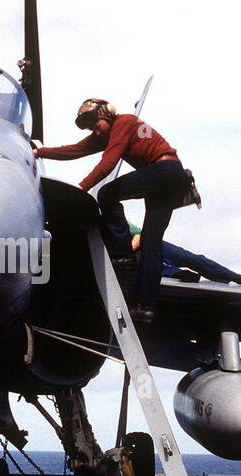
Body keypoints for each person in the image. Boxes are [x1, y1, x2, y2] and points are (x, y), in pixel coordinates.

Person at [35, 99, 187, 322]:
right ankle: (146, 307)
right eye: (89, 128)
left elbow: (109, 162)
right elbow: (76, 150)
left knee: (106, 194)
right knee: (151, 242)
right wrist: (41, 152)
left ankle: (123, 255)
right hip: (173, 177)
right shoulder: (107, 133)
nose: (93, 130)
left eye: (95, 124)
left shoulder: (123, 123)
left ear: (106, 115)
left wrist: (80, 189)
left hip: (164, 170)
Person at [126, 221, 241, 287]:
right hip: (135, 261)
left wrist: (128, 250)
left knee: (187, 257)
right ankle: (180, 274)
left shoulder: (116, 221)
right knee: (154, 269)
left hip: (146, 243)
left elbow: (138, 234)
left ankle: (235, 277)